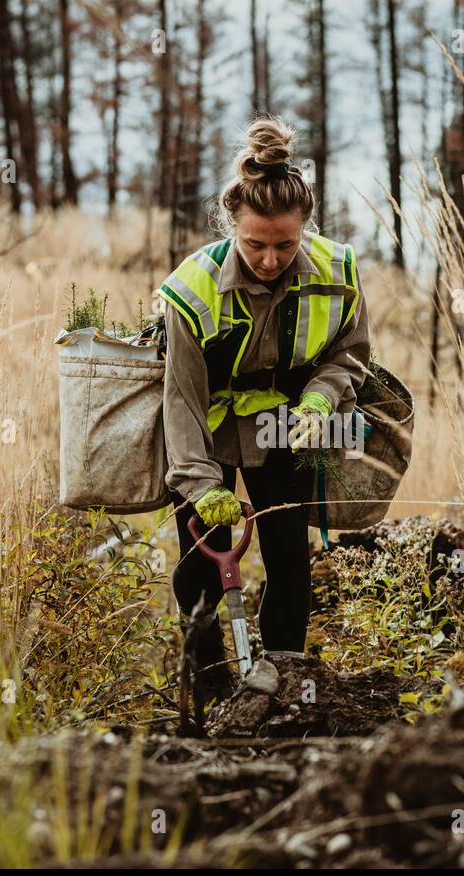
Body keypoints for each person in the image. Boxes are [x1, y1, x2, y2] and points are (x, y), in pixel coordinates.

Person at [157, 115, 371, 709]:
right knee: (201, 568)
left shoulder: (338, 273)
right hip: (206, 433)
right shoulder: (192, 289)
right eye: (255, 244)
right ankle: (206, 692)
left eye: (285, 244)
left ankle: (283, 684)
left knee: (289, 561)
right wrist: (201, 487)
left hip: (285, 425)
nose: (271, 258)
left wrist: (321, 398)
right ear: (231, 228)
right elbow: (182, 400)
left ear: (306, 228)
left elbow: (351, 356)